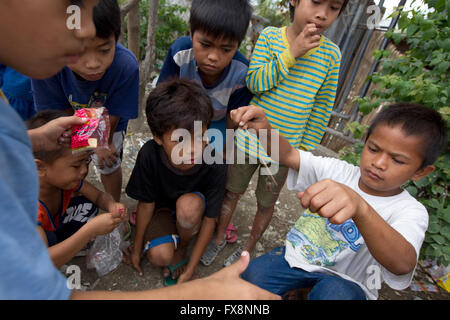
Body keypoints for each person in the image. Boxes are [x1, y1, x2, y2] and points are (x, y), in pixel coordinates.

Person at [0, 0, 279, 300]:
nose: (90, 61)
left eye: (102, 47)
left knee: (181, 207)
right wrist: (200, 295)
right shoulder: (150, 153)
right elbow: (42, 290)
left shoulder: (211, 155)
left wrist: (35, 139)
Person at [229, 103, 447, 300]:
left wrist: (361, 208)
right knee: (249, 278)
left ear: (421, 172)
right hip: (295, 261)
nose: (379, 163)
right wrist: (264, 130)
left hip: (349, 283)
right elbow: (288, 155)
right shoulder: (339, 171)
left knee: (336, 295)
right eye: (373, 149)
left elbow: (402, 264)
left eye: (397, 160)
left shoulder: (409, 210)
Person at [204, 0, 349, 267]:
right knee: (231, 192)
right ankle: (217, 238)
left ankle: (248, 248)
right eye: (316, 2)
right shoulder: (270, 37)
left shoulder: (331, 56)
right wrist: (292, 52)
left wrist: (301, 154)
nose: (322, 13)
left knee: (265, 202)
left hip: (283, 150)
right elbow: (255, 81)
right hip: (249, 139)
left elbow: (321, 108)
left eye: (334, 7)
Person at [32, 0, 139, 202]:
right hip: (65, 120)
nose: (93, 64)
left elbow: (114, 112)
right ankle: (66, 205)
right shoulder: (46, 67)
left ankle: (113, 205)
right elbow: (55, 116)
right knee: (68, 161)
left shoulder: (126, 67)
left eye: (104, 50)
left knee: (107, 162)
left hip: (109, 124)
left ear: (116, 38)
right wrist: (74, 141)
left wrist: (102, 142)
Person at [124, 79, 228, 285]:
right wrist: (136, 250)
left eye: (200, 136)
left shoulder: (215, 162)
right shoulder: (149, 155)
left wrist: (191, 269)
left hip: (192, 211)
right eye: (180, 140)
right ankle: (167, 237)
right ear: (158, 137)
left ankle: (182, 247)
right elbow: (146, 204)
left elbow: (209, 219)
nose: (192, 149)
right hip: (160, 210)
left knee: (188, 208)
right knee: (159, 257)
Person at [28, 110, 129, 268]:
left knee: (88, 207)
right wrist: (89, 231)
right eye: (76, 165)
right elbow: (42, 260)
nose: (84, 171)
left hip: (54, 225)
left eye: (86, 161)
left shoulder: (64, 181)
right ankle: (61, 247)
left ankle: (64, 244)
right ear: (39, 167)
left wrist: (112, 205)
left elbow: (98, 197)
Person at [157, 0, 253, 155]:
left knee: (211, 161)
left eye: (226, 49)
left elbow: (233, 119)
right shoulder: (180, 53)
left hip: (218, 124)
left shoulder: (242, 72)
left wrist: (224, 152)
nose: (213, 57)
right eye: (205, 45)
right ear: (191, 33)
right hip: (181, 118)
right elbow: (163, 97)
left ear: (238, 45)